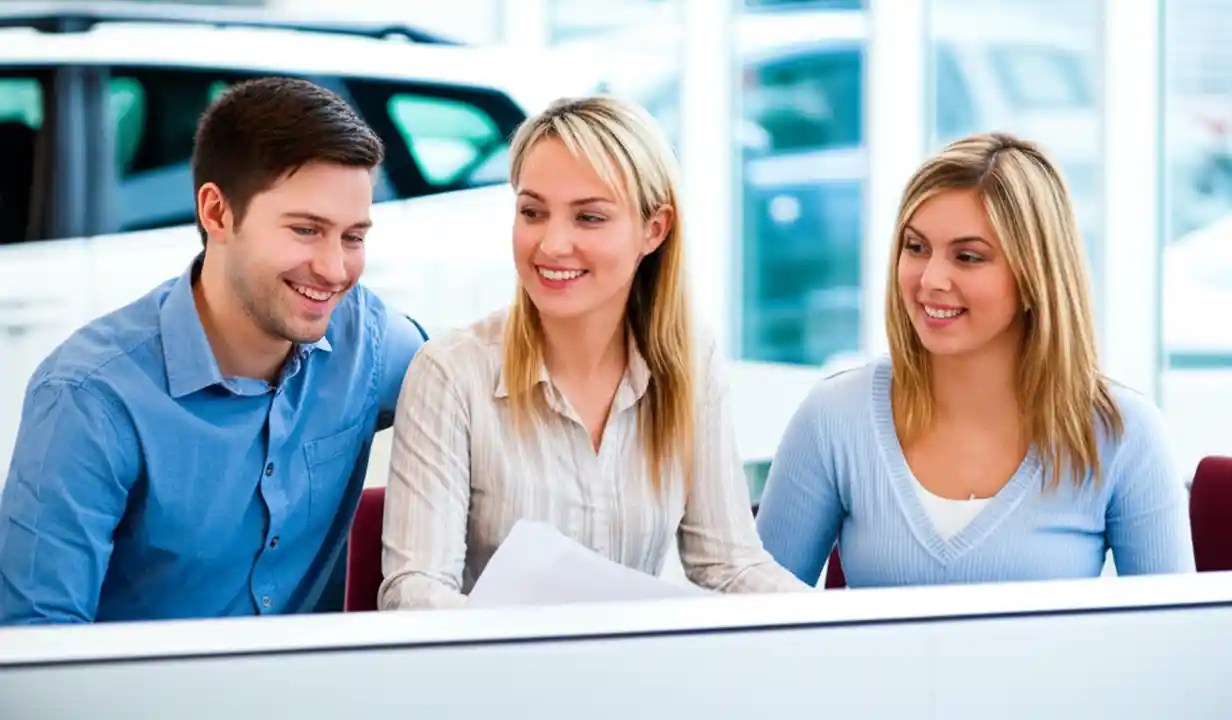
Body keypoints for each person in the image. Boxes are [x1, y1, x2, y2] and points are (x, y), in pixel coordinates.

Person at [0, 77, 427, 624]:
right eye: (305, 230)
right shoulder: (89, 399)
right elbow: (37, 638)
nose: (335, 269)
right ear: (217, 213)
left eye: (353, 237)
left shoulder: (369, 342)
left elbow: (488, 398)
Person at [379, 96, 806, 609]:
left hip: (632, 679)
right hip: (496, 680)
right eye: (533, 212)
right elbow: (415, 591)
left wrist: (845, 627)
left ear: (654, 229)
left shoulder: (689, 359)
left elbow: (729, 562)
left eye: (589, 218)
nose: (552, 244)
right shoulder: (452, 373)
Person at [755, 132, 1194, 588]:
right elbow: (755, 626)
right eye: (916, 247)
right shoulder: (834, 417)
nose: (931, 279)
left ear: (1033, 275)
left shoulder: (1123, 434)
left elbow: (1174, 645)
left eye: (967, 257)